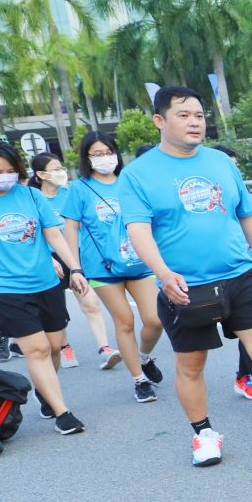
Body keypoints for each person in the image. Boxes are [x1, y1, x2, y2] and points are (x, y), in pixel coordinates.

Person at [121, 85, 252, 465]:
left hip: (240, 274)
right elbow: (138, 229)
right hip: (185, 284)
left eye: (199, 115)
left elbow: (247, 213)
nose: (194, 122)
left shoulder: (220, 162)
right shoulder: (139, 174)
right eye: (183, 115)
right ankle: (204, 435)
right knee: (192, 365)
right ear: (159, 121)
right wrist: (162, 273)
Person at [60, 133, 165, 404]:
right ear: (86, 158)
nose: (104, 158)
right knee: (125, 321)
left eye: (108, 151)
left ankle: (144, 356)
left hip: (140, 262)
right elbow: (70, 228)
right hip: (102, 268)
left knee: (155, 319)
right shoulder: (79, 188)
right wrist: (75, 268)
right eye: (96, 153)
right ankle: (139, 380)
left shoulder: (130, 182)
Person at [0, 142, 92, 434]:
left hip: (46, 283)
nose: (5, 176)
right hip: (7, 288)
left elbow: (54, 234)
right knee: (36, 349)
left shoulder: (31, 195)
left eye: (11, 171)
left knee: (54, 346)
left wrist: (74, 268)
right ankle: (63, 413)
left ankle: (45, 390)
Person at [27, 153, 116, 370]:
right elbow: (32, 235)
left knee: (91, 303)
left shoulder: (70, 193)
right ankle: (65, 346)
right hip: (49, 261)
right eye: (55, 169)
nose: (61, 173)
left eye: (61, 168)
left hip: (74, 256)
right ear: (41, 174)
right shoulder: (34, 199)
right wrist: (48, 258)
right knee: (59, 310)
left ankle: (105, 348)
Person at [212, 143, 252, 403]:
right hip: (212, 277)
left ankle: (247, 377)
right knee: (195, 354)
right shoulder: (209, 199)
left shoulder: (244, 196)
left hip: (248, 271)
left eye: (235, 162)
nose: (233, 167)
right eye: (227, 163)